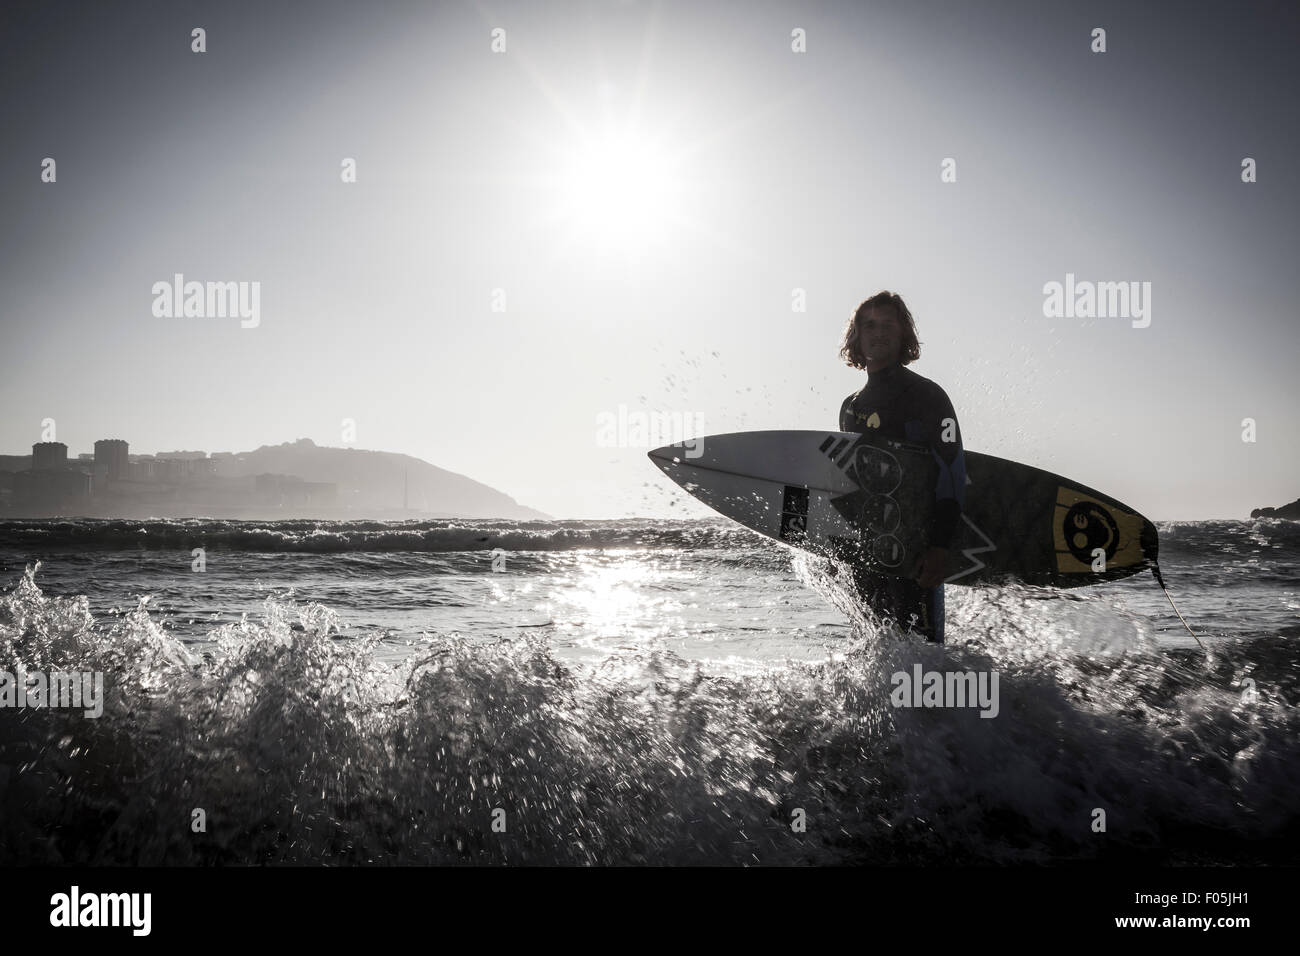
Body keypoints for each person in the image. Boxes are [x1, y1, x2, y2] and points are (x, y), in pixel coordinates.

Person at [837, 291, 966, 643]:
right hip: (866, 556)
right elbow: (850, 483)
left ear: (903, 332)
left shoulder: (928, 396)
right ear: (857, 336)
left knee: (924, 663)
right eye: (869, 325)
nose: (878, 332)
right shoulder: (849, 408)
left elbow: (952, 470)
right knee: (873, 652)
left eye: (888, 324)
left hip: (918, 556)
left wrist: (940, 547)